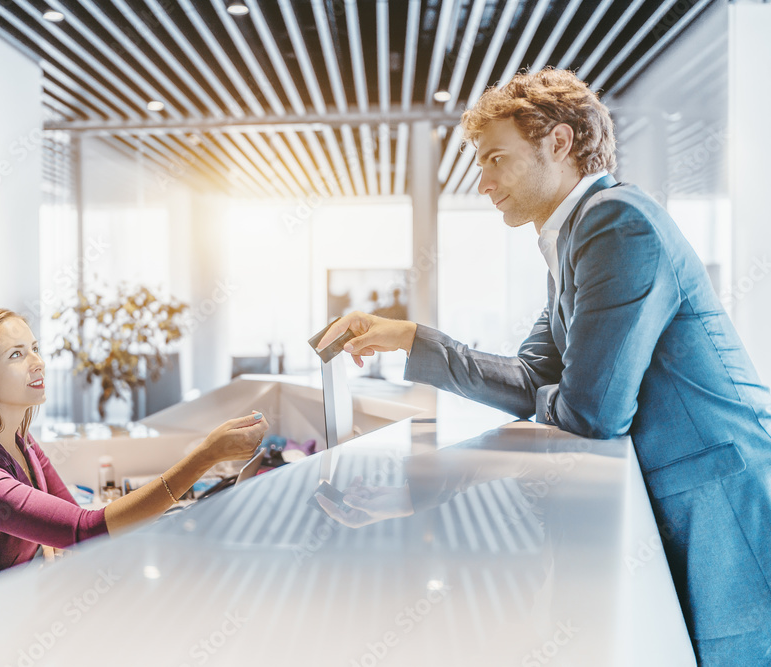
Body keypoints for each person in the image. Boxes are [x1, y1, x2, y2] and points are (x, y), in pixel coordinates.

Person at [316, 68, 771, 664]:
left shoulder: (617, 223)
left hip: (722, 499)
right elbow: (536, 377)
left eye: (495, 159)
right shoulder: (574, 238)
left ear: (559, 143)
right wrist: (408, 338)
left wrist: (562, 394)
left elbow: (592, 411)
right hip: (690, 496)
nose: (484, 182)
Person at [0, 308, 267, 613]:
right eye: (16, 355)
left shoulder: (24, 445)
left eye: (34, 348)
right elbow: (84, 529)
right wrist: (206, 455)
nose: (37, 363)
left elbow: (76, 531)